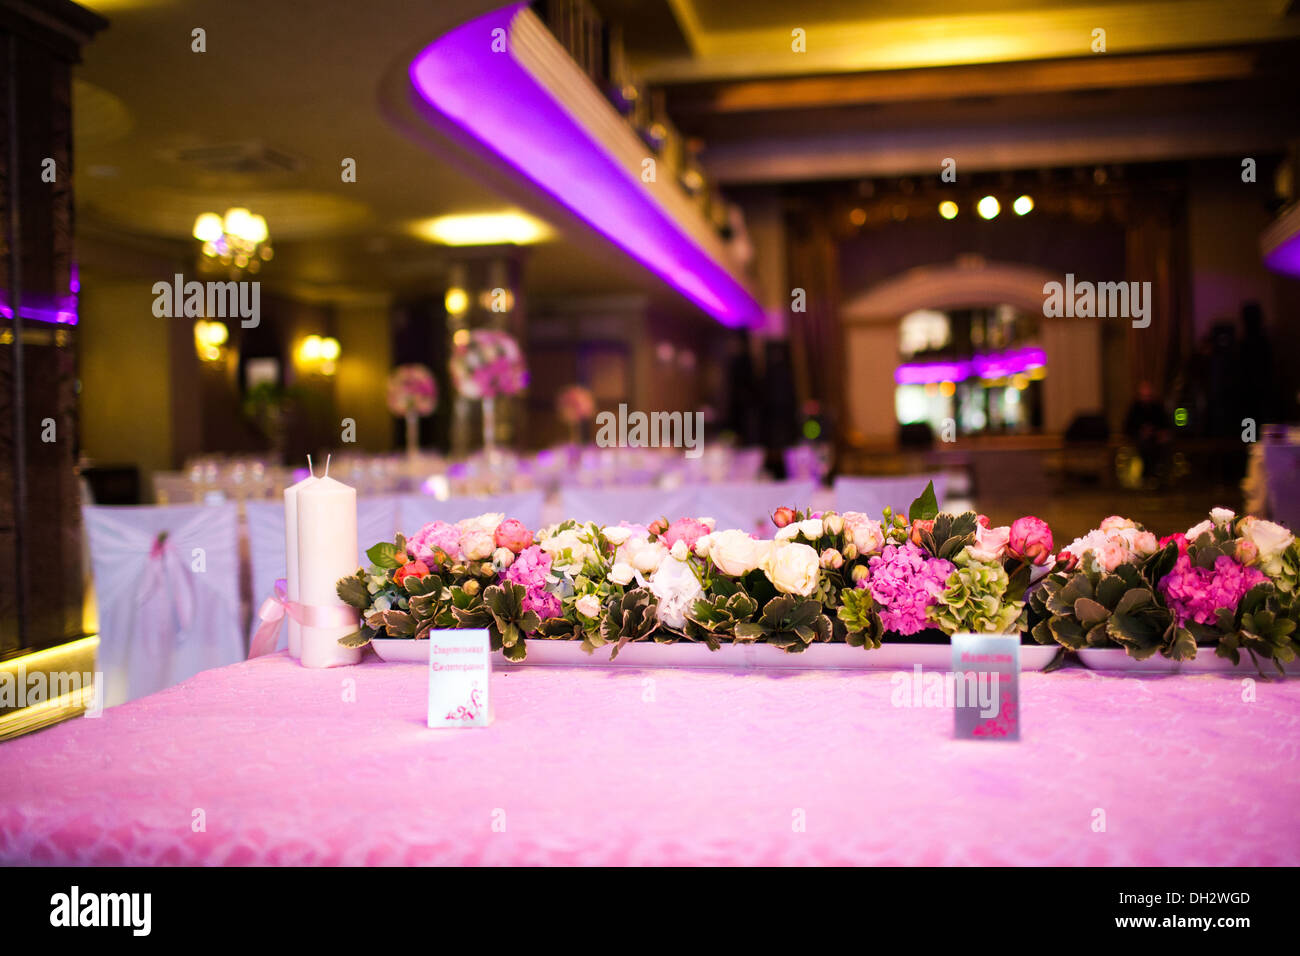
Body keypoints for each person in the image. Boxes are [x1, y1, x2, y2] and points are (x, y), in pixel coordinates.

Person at [1123, 380, 1171, 487]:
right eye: (1144, 395)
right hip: (1140, 439)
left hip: (1156, 438)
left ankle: (1158, 476)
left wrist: (1160, 433)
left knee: (1161, 447)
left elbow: (1165, 424)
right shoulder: (1135, 407)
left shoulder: (1157, 406)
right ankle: (1148, 475)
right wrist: (1141, 432)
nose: (1146, 398)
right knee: (1145, 446)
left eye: (1148, 395)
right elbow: (1128, 427)